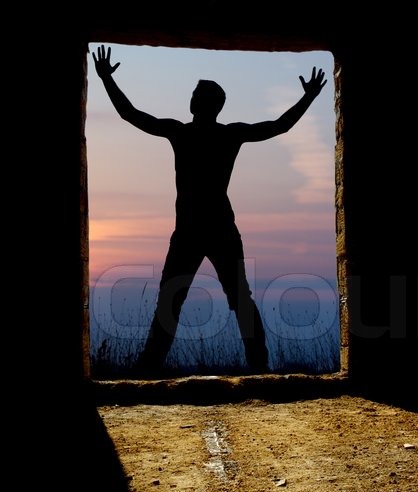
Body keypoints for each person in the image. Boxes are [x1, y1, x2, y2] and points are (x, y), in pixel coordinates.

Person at [92, 45, 327, 376]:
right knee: (223, 300)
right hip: (212, 229)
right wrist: (309, 97)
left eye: (195, 95)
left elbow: (131, 115)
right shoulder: (223, 135)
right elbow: (279, 125)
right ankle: (251, 367)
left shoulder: (185, 133)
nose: (191, 99)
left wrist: (106, 79)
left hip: (198, 229)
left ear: (201, 103)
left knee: (180, 302)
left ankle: (152, 368)